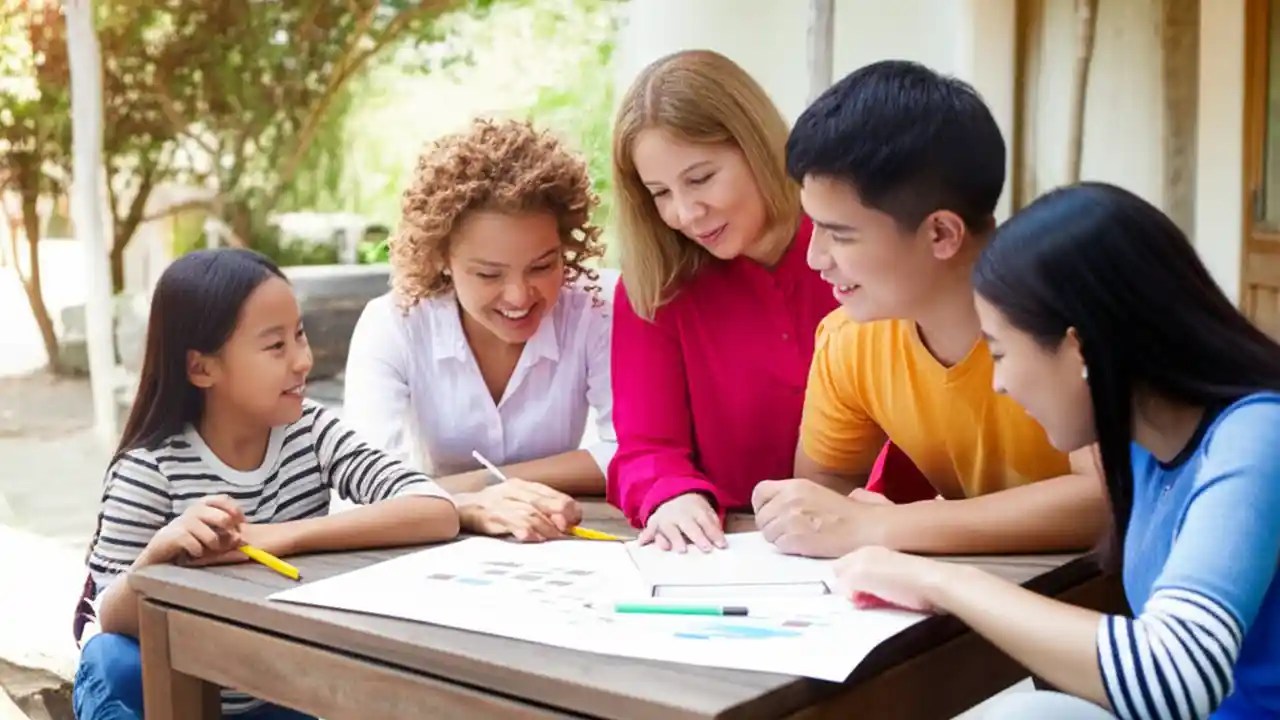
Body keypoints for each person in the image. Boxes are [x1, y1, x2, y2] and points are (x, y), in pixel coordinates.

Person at [835, 182, 1280, 720]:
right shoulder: (1143, 449)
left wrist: (941, 581)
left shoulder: (1257, 435)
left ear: (1079, 348)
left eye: (1000, 352)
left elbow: (1174, 675)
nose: (1000, 384)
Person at [72, 248, 459, 720]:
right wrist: (156, 560)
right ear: (202, 368)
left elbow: (433, 508)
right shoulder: (149, 470)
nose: (303, 360)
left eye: (299, 335)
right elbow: (109, 621)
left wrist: (281, 536)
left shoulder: (310, 433)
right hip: (157, 696)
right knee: (113, 663)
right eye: (276, 346)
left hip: (268, 691)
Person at [752, 60, 1107, 558]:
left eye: (839, 234)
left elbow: (1104, 499)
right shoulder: (850, 341)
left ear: (940, 233)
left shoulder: (1070, 318)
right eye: (815, 229)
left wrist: (885, 527)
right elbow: (822, 501)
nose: (815, 259)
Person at [606, 48, 924, 552]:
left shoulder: (860, 246)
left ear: (756, 145)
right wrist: (672, 496)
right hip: (733, 546)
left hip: (890, 534)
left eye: (700, 178)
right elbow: (646, 448)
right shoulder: (656, 286)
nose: (686, 213)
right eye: (659, 192)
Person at [343, 118, 615, 543]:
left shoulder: (594, 309)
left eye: (543, 266)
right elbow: (362, 488)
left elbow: (632, 451)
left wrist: (489, 483)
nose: (519, 296)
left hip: (559, 536)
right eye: (489, 274)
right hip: (429, 548)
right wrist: (469, 506)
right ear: (443, 260)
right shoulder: (394, 325)